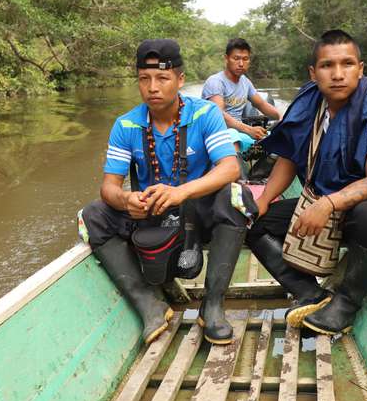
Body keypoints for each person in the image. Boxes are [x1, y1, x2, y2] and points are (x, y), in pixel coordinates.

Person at [81, 39, 256, 345]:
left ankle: (212, 305)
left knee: (235, 198)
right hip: (150, 213)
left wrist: (181, 193)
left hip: (197, 213)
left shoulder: (204, 114)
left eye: (162, 78)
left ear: (180, 80)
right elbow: (109, 186)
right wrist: (126, 199)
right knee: (92, 216)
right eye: (144, 79)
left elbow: (229, 168)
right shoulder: (126, 125)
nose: (153, 87)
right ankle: (149, 304)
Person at [247, 29, 367, 335]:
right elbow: (290, 158)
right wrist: (263, 201)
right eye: (327, 66)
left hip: (363, 207)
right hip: (319, 199)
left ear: (361, 68)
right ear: (313, 73)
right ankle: (311, 294)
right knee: (255, 222)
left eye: (347, 64)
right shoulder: (308, 105)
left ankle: (346, 303)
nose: (338, 74)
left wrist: (328, 203)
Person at [202, 38, 281, 146]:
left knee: (278, 140)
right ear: (226, 59)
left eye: (245, 59)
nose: (241, 63)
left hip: (240, 133)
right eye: (236, 58)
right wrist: (249, 130)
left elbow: (262, 104)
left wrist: (282, 117)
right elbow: (219, 115)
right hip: (217, 133)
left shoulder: (245, 82)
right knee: (233, 135)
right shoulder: (215, 82)